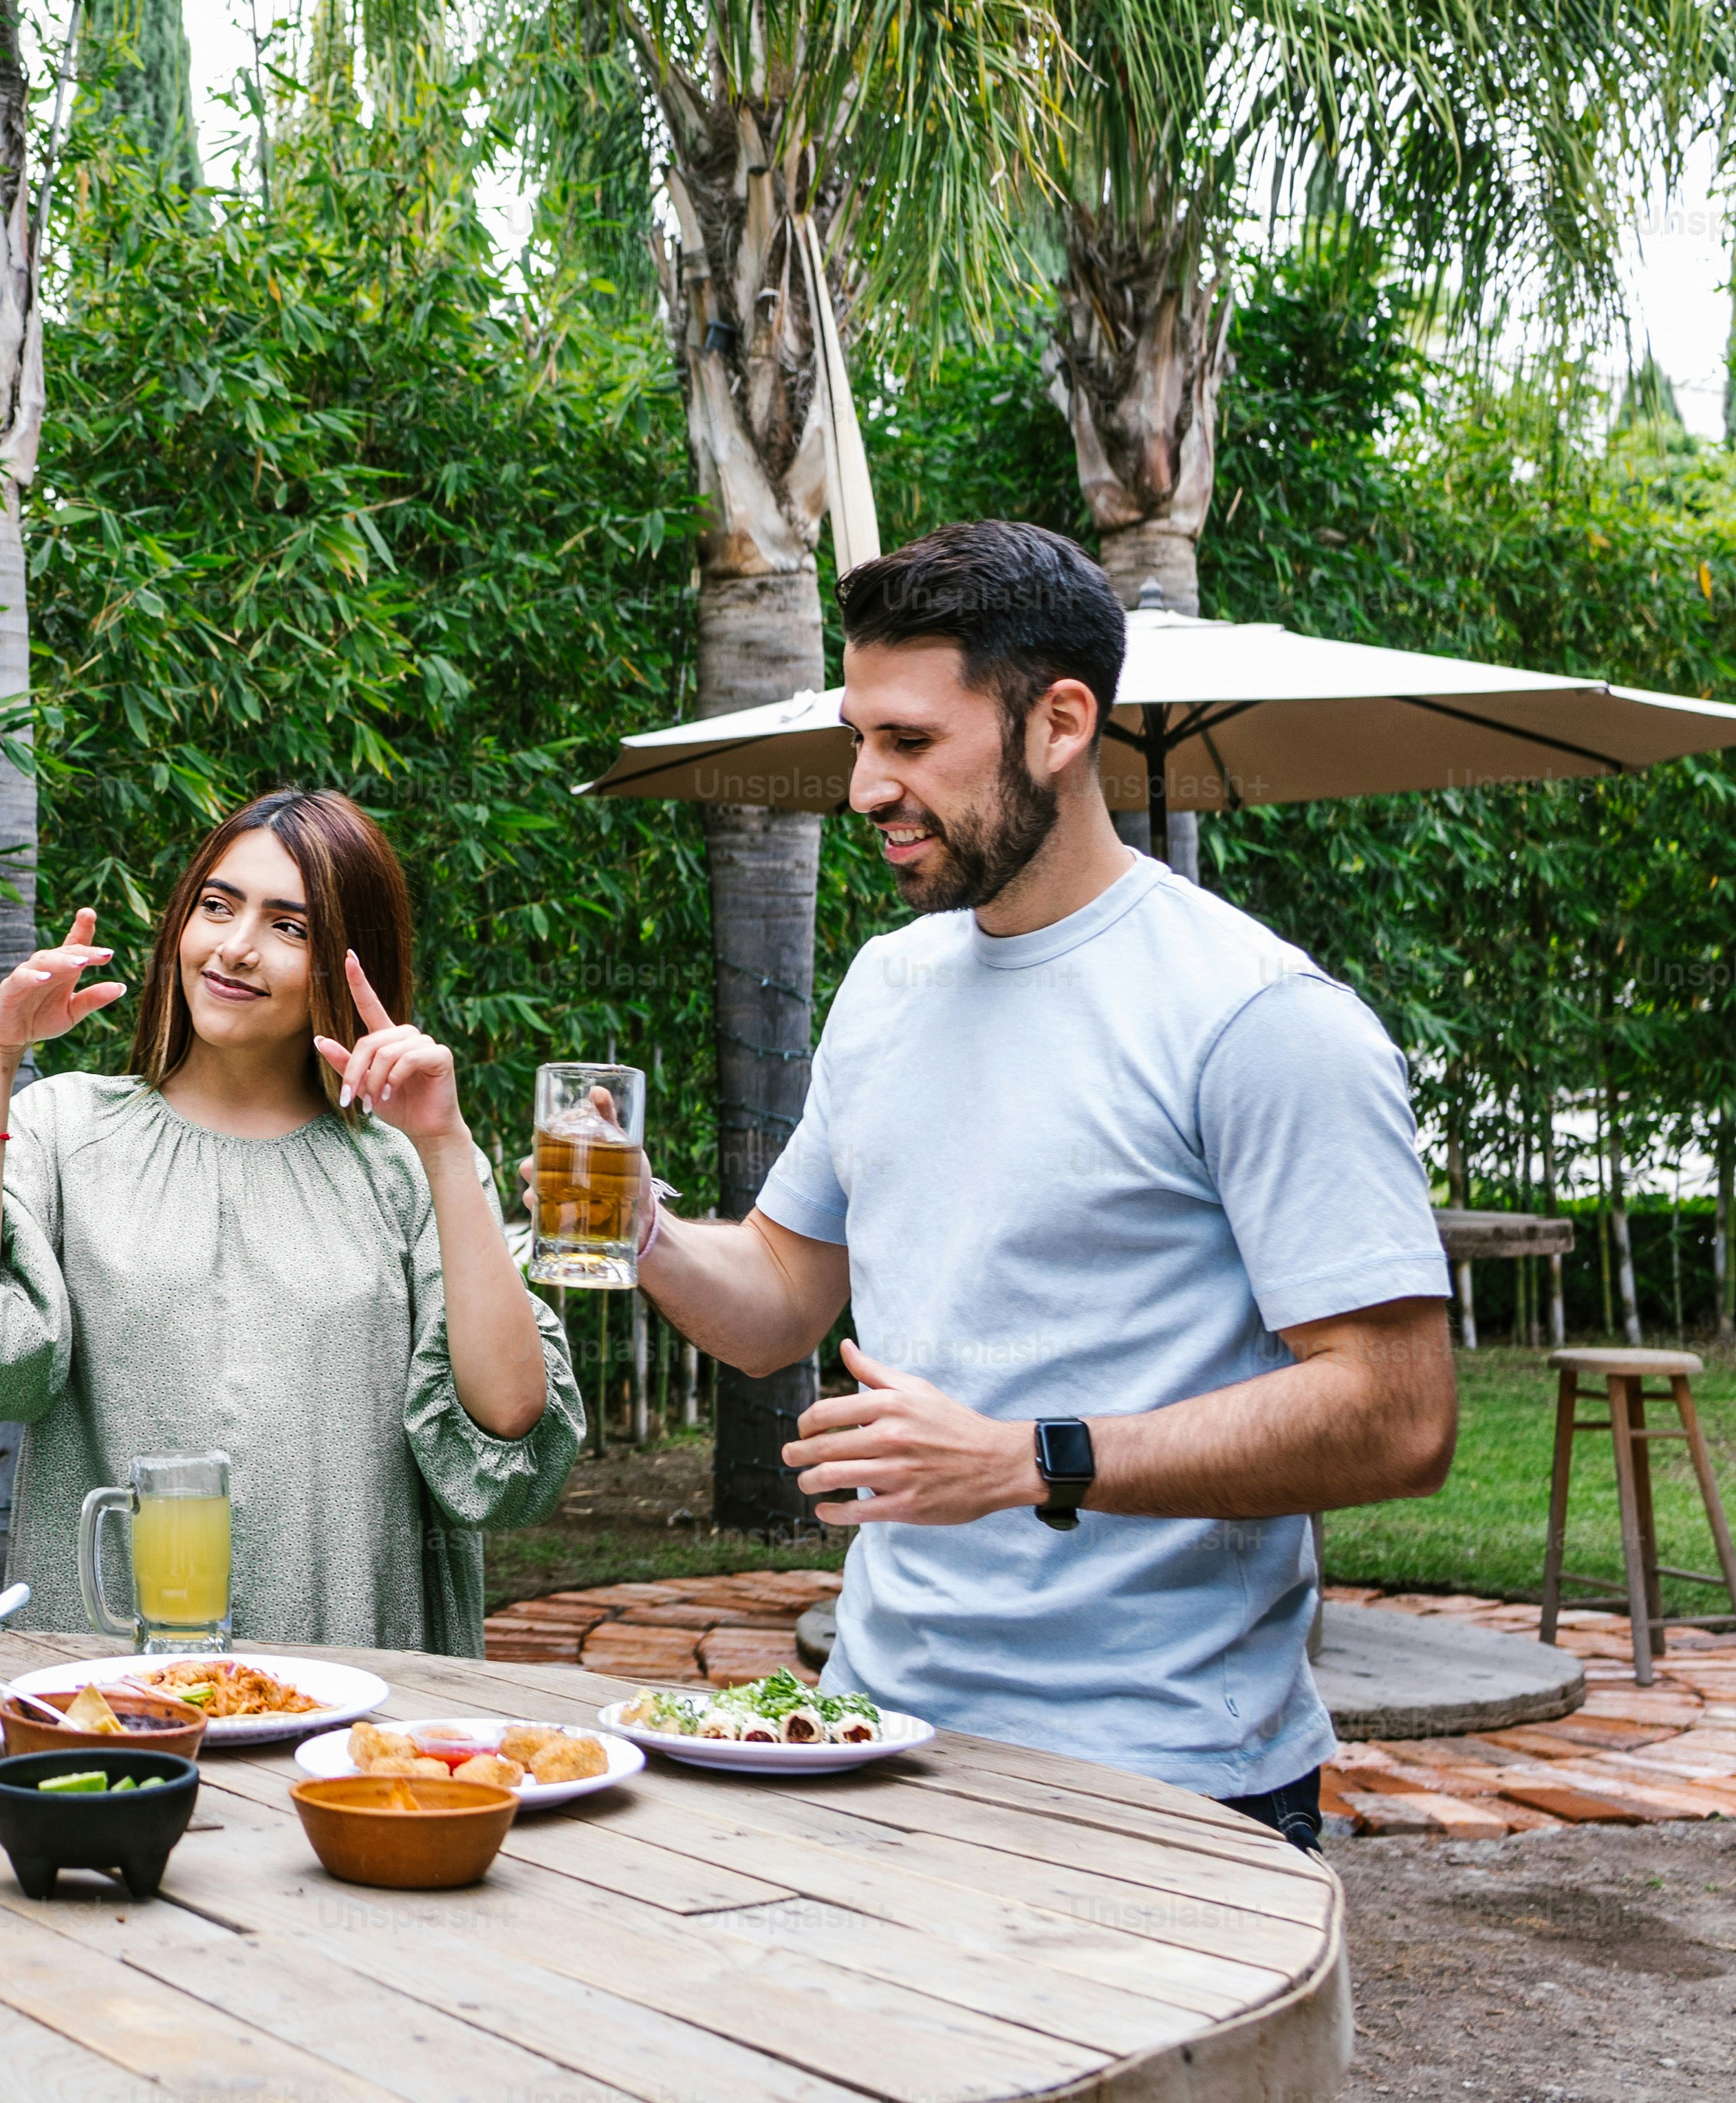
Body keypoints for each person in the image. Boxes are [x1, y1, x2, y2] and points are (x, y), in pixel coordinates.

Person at [594, 519, 1455, 1844]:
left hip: (1170, 1772)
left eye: (910, 742)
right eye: (857, 737)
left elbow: (1396, 1414)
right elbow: (774, 1299)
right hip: (876, 1735)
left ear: (1059, 724)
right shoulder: (887, 987)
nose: (865, 785)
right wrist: (638, 1220)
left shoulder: (1257, 1015)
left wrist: (1024, 1459)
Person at [0, 789, 582, 1653]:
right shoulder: (64, 1129)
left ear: (351, 960)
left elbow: (507, 1438)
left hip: (360, 1685)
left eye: (289, 927)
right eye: (217, 906)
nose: (235, 949)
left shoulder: (406, 1164)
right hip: (113, 1691)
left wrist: (448, 1145)